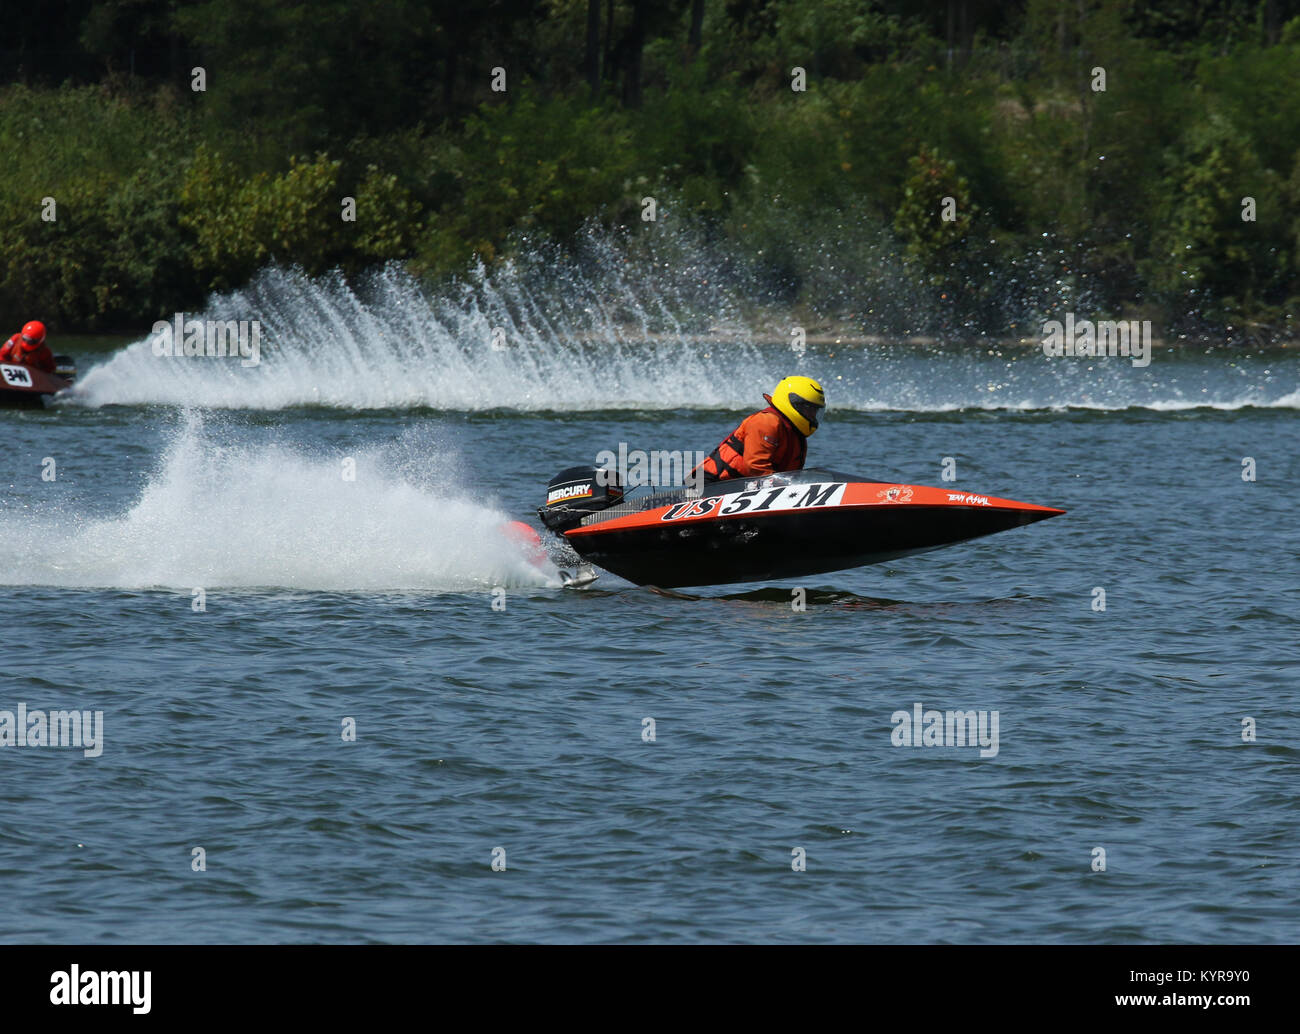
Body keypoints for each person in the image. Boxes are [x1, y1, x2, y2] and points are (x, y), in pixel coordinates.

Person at [695, 375, 826, 483]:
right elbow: (756, 466)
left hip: (742, 487)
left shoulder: (796, 434)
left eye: (816, 410)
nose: (812, 414)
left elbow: (790, 475)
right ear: (794, 403)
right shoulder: (767, 422)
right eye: (809, 408)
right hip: (709, 485)